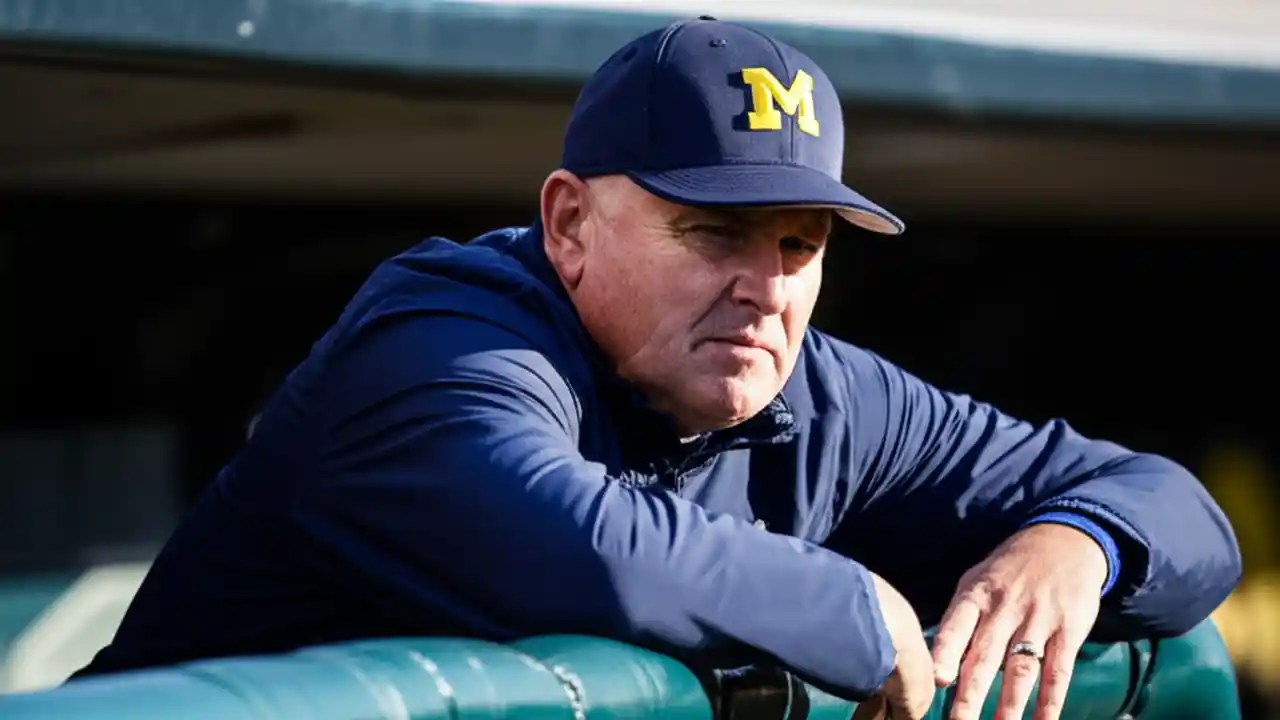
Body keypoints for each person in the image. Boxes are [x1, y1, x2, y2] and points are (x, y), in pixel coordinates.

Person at [71, 16, 1241, 720]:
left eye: (798, 244)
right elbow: (577, 543)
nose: (766, 285)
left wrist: (1076, 543)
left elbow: (1180, 516)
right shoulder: (442, 337)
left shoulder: (818, 391)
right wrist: (847, 606)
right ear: (569, 224)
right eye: (714, 233)